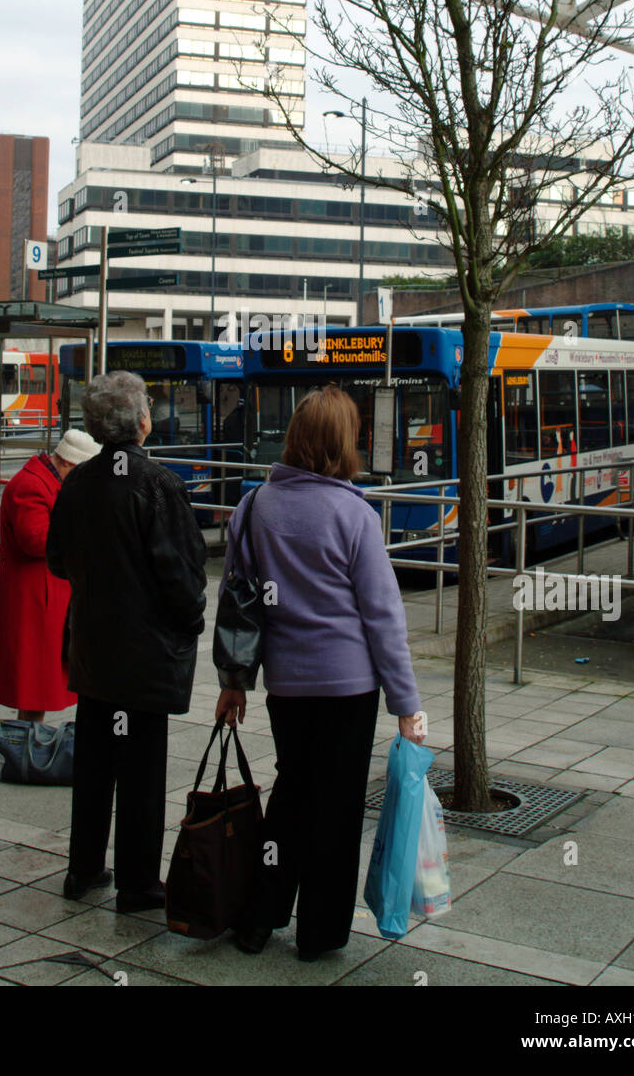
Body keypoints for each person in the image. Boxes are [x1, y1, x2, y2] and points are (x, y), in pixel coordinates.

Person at [215, 384, 424, 962]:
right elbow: (383, 618)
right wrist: (407, 704)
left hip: (286, 685)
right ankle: (321, 934)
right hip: (348, 688)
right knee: (336, 810)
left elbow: (238, 603)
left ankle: (259, 917)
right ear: (344, 443)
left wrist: (233, 684)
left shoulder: (254, 506)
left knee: (291, 796)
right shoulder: (354, 514)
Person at [46, 370, 207, 910]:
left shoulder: (76, 483)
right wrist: (189, 625)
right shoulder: (159, 485)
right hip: (144, 659)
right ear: (142, 422)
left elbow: (56, 559)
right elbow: (184, 578)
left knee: (93, 768)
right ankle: (138, 882)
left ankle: (84, 869)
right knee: (141, 773)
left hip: (94, 652)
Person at [0, 429, 100, 722]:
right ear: (70, 464)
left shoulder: (42, 481)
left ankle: (28, 736)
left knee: (38, 676)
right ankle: (26, 740)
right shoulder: (31, 485)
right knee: (35, 676)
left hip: (42, 592)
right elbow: (36, 541)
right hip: (34, 595)